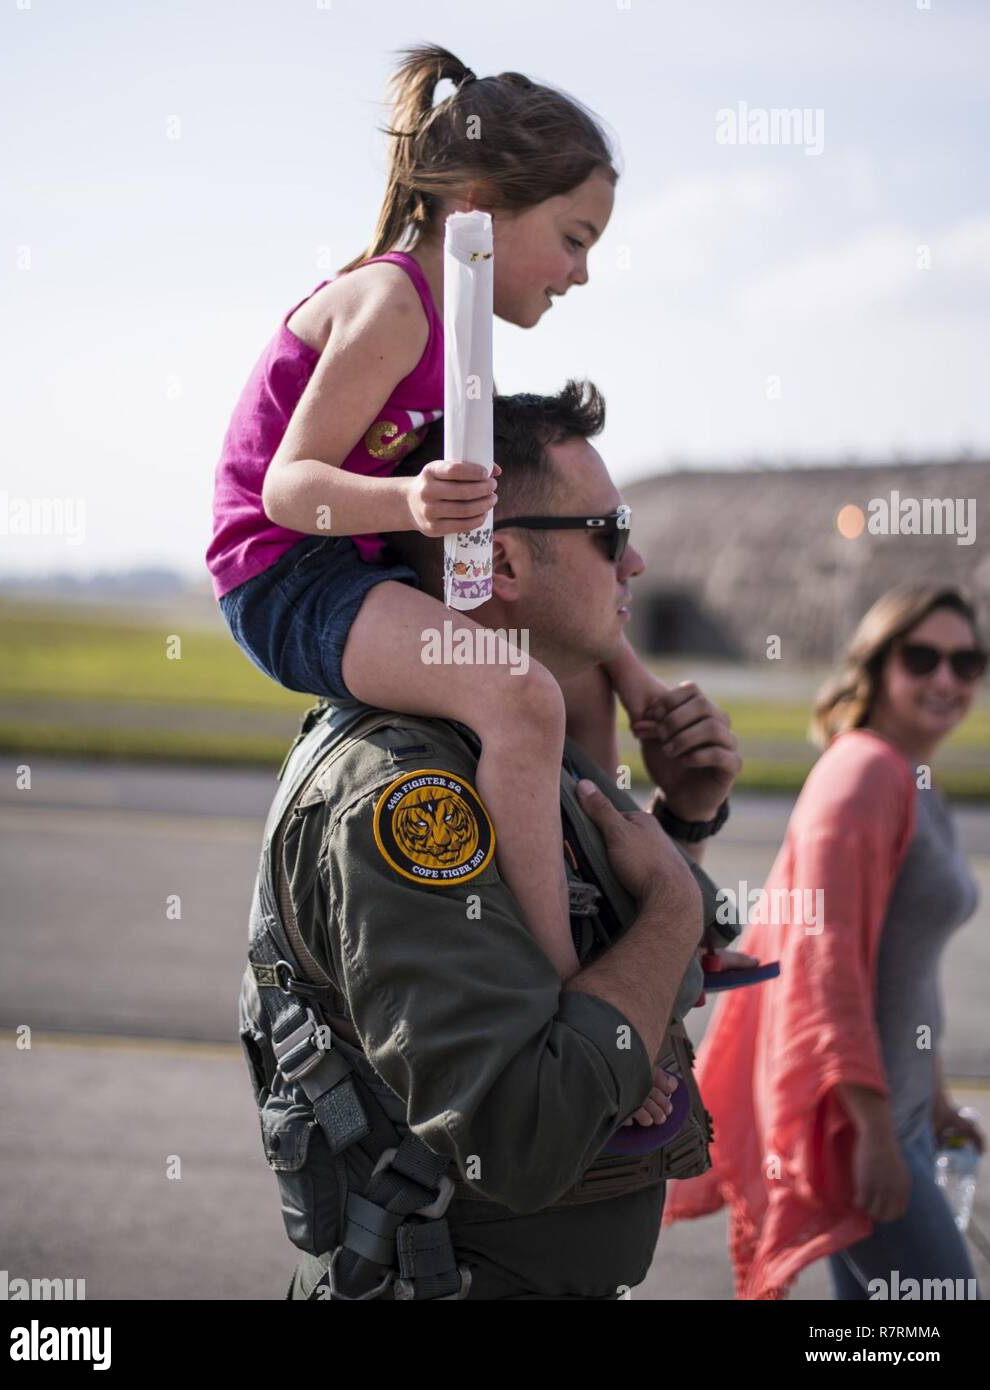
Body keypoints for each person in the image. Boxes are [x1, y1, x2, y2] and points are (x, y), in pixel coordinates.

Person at [237, 382, 749, 1300]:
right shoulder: (411, 795)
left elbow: (647, 969)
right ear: (501, 562)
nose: (634, 563)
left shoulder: (515, 749)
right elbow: (522, 1132)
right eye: (609, 530)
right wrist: (671, 900)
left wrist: (685, 817)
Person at [207, 44, 671, 991]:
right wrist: (407, 500)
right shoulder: (393, 307)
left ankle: (648, 907)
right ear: (478, 207)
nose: (581, 273)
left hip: (364, 558)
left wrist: (632, 678)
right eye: (575, 238)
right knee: (519, 695)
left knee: (561, 670)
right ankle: (554, 980)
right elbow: (288, 489)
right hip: (288, 577)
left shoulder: (461, 335)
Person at [663, 584, 986, 1300]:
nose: (946, 679)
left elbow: (906, 967)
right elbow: (825, 962)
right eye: (923, 657)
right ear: (875, 666)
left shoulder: (912, 775)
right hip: (860, 1125)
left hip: (898, 1114)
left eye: (967, 663)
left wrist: (932, 1103)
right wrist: (873, 1130)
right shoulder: (864, 772)